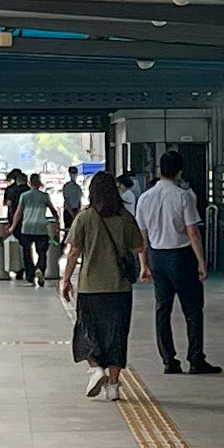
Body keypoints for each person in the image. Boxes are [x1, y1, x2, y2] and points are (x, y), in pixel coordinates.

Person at [133, 150, 219, 375]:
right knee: (192, 309)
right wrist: (201, 261)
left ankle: (169, 361)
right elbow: (192, 232)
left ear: (160, 170)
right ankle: (195, 358)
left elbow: (141, 236)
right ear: (180, 171)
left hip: (157, 257)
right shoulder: (183, 196)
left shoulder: (145, 198)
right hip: (181, 257)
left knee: (163, 310)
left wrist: (143, 264)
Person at [62, 170, 145, 397]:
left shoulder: (85, 217)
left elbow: (74, 252)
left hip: (91, 287)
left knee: (87, 332)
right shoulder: (125, 218)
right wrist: (145, 268)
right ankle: (114, 386)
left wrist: (66, 279)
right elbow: (139, 247)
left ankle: (96, 369)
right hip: (119, 289)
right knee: (117, 335)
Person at [11, 169, 58, 286]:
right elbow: (53, 211)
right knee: (42, 252)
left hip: (27, 227)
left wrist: (13, 226)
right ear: (39, 183)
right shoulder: (44, 196)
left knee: (27, 253)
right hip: (41, 228)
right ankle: (39, 269)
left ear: (30, 183)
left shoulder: (24, 196)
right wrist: (57, 223)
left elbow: (18, 213)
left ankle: (30, 275)